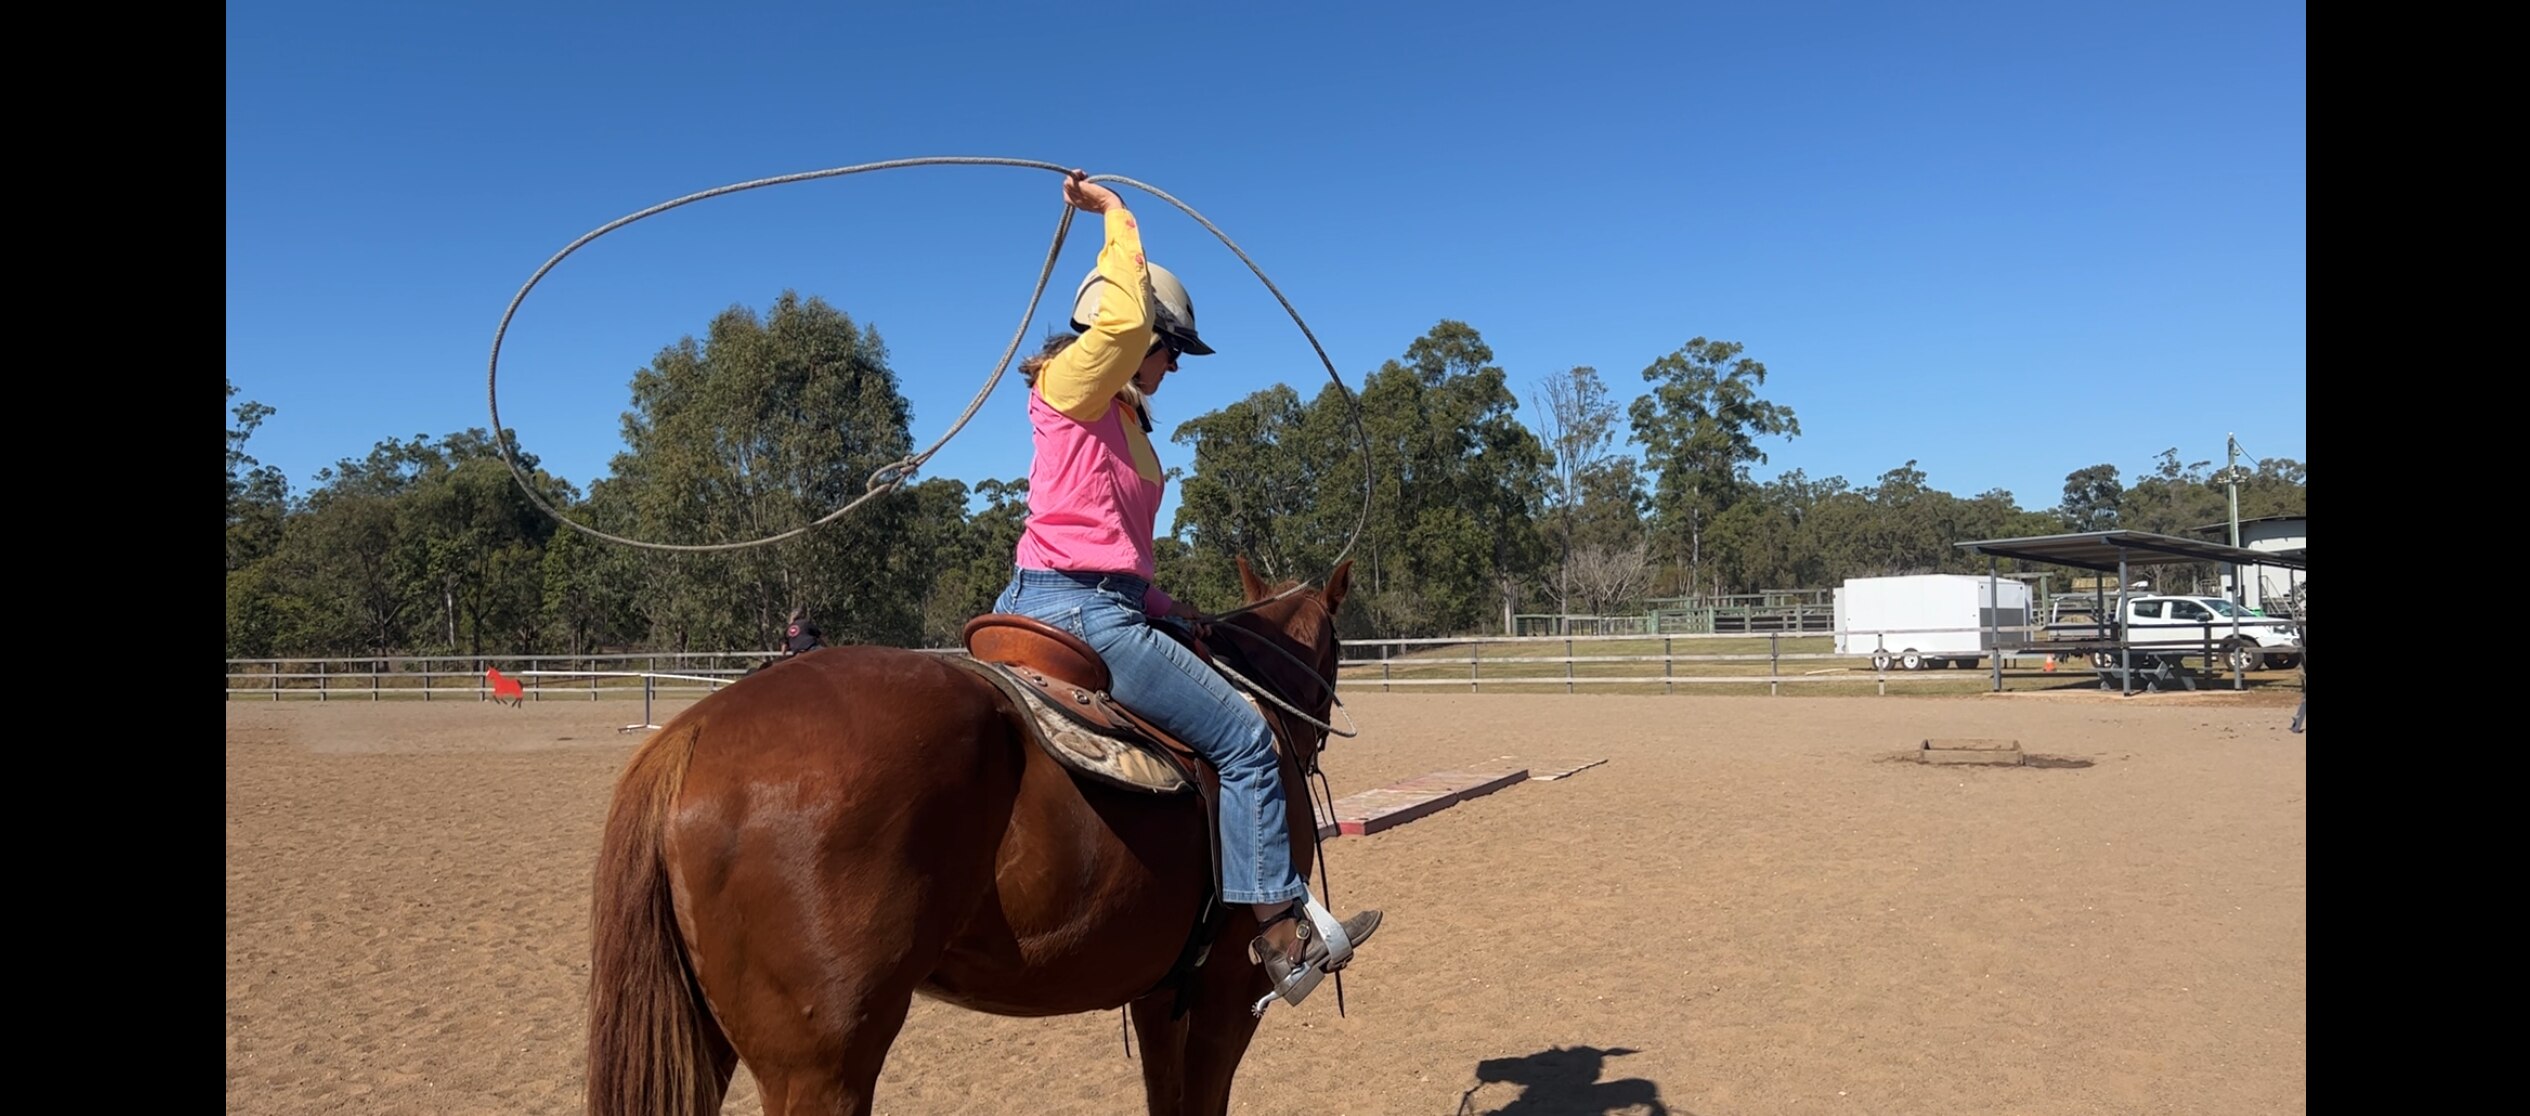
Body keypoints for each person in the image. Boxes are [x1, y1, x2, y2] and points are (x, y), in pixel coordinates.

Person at [991, 169, 1378, 1002]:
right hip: (1081, 613)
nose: (1171, 364)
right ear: (1129, 335)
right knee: (1244, 738)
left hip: (1085, 598)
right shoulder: (1074, 386)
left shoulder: (1119, 417)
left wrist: (1177, 614)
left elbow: (1112, 546)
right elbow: (1126, 316)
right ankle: (1277, 930)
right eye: (1168, 348)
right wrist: (1116, 216)